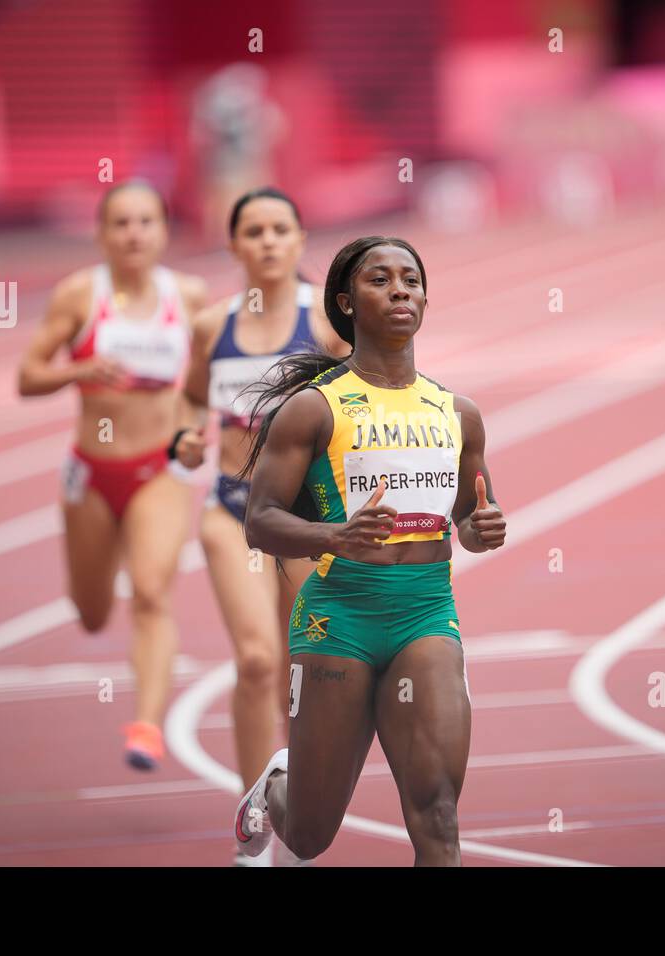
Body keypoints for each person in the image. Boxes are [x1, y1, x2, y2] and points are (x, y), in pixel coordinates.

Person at [228, 236, 507, 866]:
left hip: (426, 617)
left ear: (426, 298)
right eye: (380, 280)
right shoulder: (312, 409)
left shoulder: (457, 413)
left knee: (436, 812)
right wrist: (335, 535)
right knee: (309, 834)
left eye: (410, 280)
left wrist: (479, 528)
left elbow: (467, 514)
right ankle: (277, 785)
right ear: (346, 303)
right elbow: (260, 522)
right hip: (339, 621)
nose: (400, 290)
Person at [171, 186, 348, 865]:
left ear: (301, 241)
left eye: (281, 230)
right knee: (256, 659)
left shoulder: (328, 327)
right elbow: (190, 401)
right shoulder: (211, 326)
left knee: (302, 668)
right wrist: (186, 440)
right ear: (235, 245)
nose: (269, 242)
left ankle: (290, 793)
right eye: (255, 231)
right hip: (233, 511)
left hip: (305, 520)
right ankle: (254, 833)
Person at [17, 180, 208, 770]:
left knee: (151, 592)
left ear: (164, 230)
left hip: (159, 468)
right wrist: (78, 371)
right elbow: (26, 377)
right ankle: (98, 596)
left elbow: (206, 383)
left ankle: (145, 726)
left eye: (146, 221)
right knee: (94, 610)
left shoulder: (191, 296)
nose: (134, 234)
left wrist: (194, 433)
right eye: (121, 223)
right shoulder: (81, 295)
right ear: (100, 234)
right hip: (92, 473)